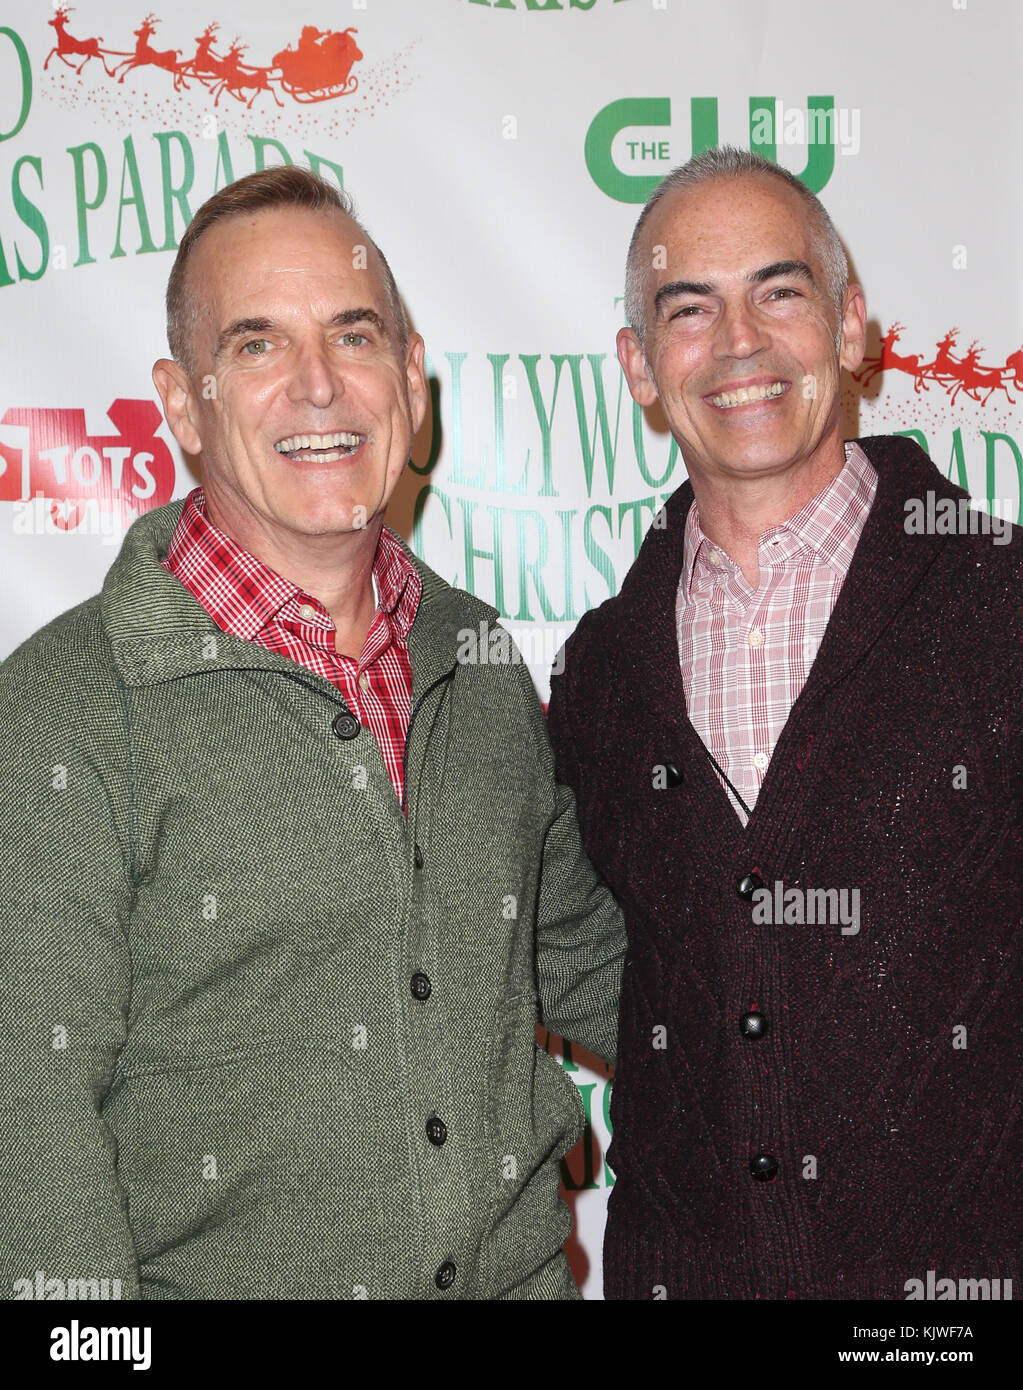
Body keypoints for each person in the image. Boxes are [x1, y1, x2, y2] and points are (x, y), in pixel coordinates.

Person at [0, 166, 625, 1301]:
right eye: (257, 345)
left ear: (411, 378)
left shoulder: (475, 657)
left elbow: (578, 951)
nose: (320, 387)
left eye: (354, 335)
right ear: (182, 404)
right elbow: (28, 1128)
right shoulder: (61, 709)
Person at [546, 147, 1021, 1300]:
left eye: (780, 290)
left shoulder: (1000, 604)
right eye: (689, 309)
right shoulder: (598, 674)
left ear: (853, 326)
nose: (740, 342)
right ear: (641, 367)